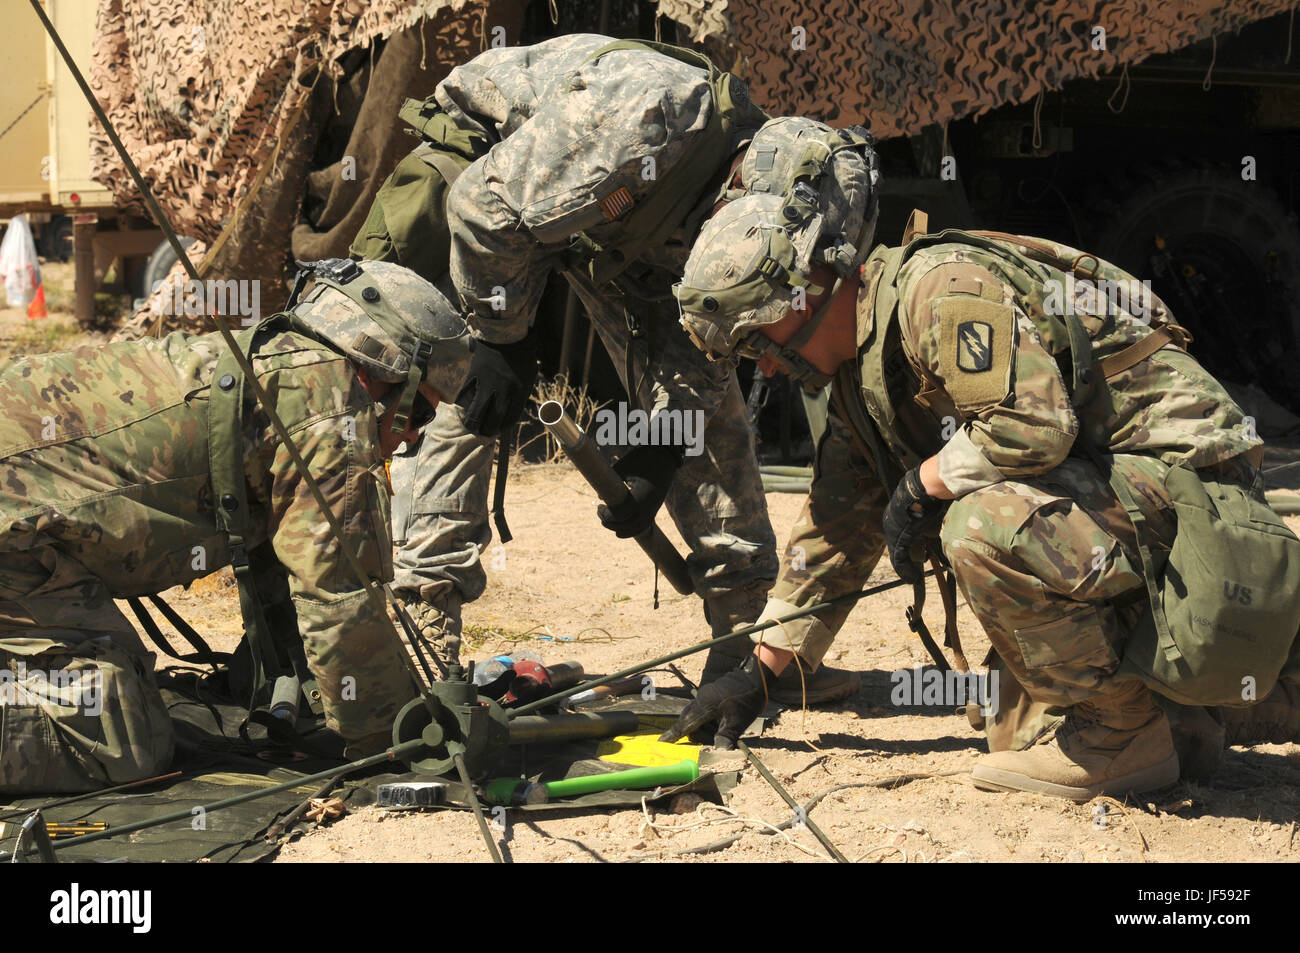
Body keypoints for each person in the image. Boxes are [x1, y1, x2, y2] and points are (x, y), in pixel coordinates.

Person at [663, 195, 1300, 800]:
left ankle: (1124, 737)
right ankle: (1220, 707)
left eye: (757, 341)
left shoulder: (937, 291)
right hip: (1135, 506)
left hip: (1197, 500)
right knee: (1012, 723)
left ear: (807, 293)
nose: (767, 367)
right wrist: (755, 676)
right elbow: (834, 530)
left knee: (981, 525)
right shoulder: (862, 370)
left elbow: (1032, 425)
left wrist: (925, 482)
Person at [351, 33, 879, 700]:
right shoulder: (644, 121)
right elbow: (483, 212)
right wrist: (503, 340)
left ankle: (748, 649)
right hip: (496, 187)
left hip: (608, 225)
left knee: (705, 412)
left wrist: (657, 451)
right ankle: (428, 643)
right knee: (470, 392)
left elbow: (704, 351)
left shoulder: (774, 206)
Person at [0, 259, 472, 794]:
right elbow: (337, 597)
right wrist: (397, 740)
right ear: (384, 378)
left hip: (23, 522)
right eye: (420, 416)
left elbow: (293, 564)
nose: (411, 439)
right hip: (13, 536)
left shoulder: (277, 363)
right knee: (122, 737)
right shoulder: (331, 411)